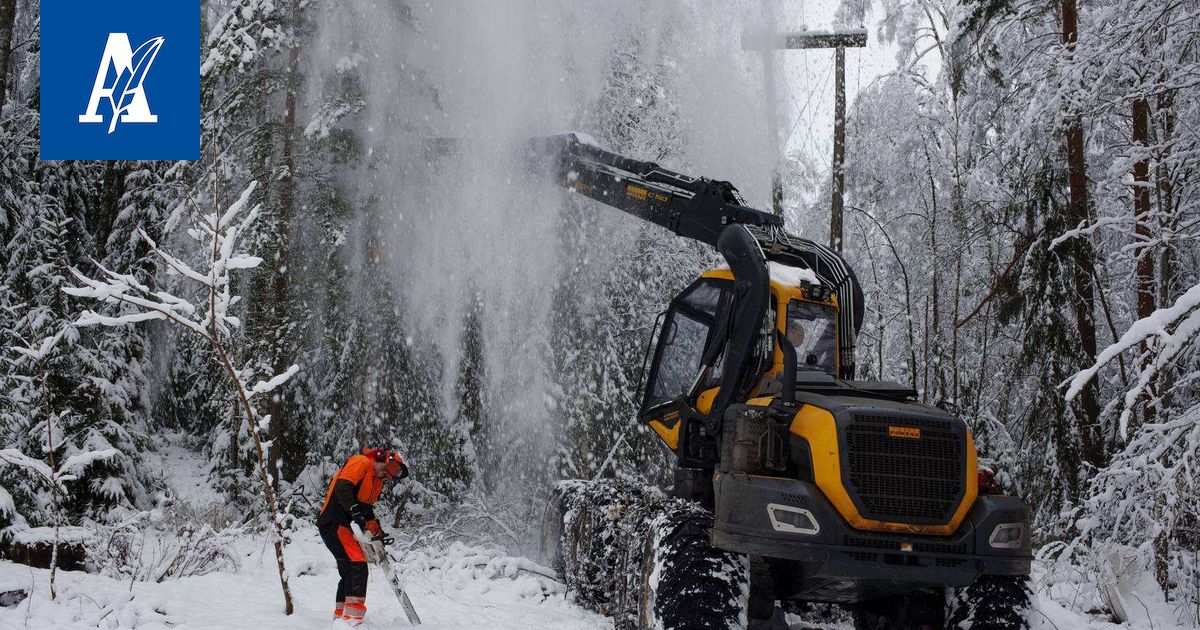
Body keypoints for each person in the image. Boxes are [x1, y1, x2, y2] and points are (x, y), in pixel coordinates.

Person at [318, 447, 409, 626]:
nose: (388, 475)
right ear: (385, 459)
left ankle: (341, 615)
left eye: (393, 475)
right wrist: (355, 512)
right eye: (391, 469)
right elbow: (343, 489)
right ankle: (351, 620)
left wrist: (375, 528)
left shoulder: (376, 481)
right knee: (357, 564)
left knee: (349, 571)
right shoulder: (361, 462)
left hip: (344, 527)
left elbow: (366, 510)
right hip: (335, 522)